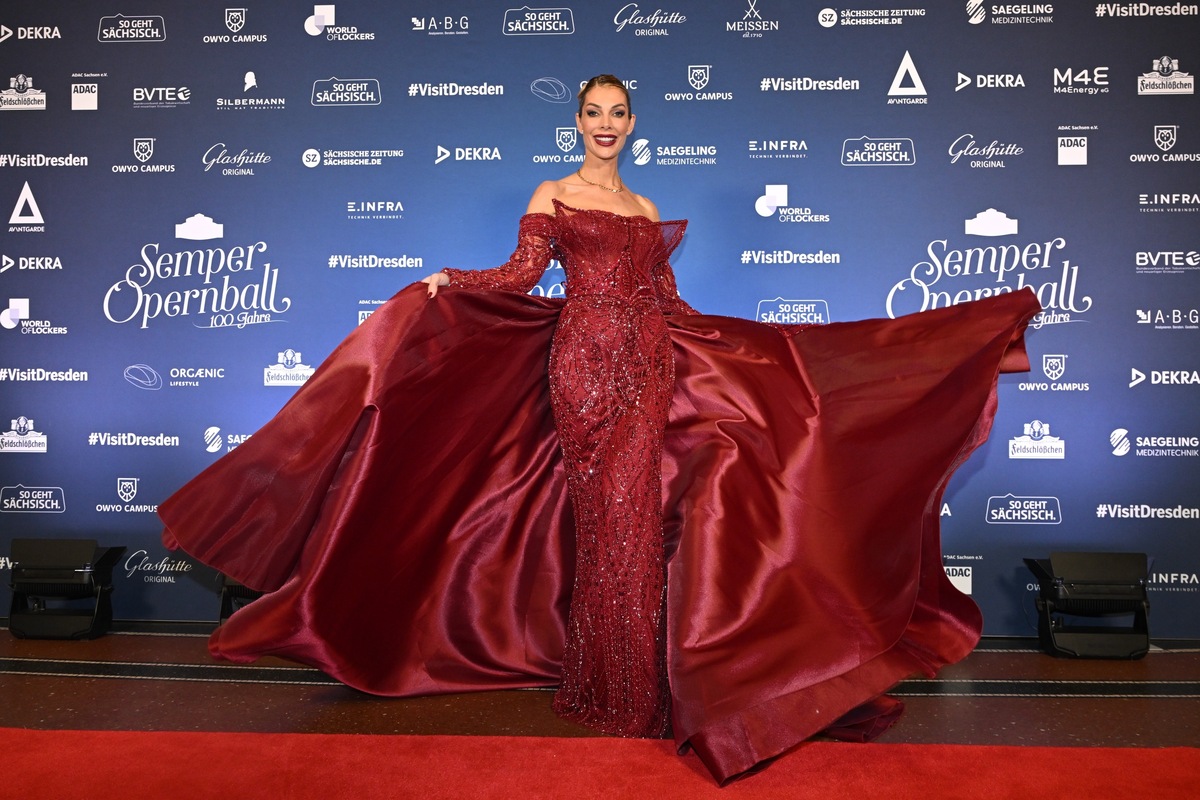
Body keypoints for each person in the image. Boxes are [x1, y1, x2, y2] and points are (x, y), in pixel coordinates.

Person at [160, 75, 1040, 784]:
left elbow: (669, 306)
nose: (607, 125)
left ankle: (637, 689)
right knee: (607, 520)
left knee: (636, 522)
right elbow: (518, 273)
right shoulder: (556, 191)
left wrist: (750, 349)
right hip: (581, 371)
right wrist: (447, 282)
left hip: (650, 367)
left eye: (619, 115)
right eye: (594, 113)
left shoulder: (646, 211)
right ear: (576, 121)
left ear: (634, 124)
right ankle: (607, 687)